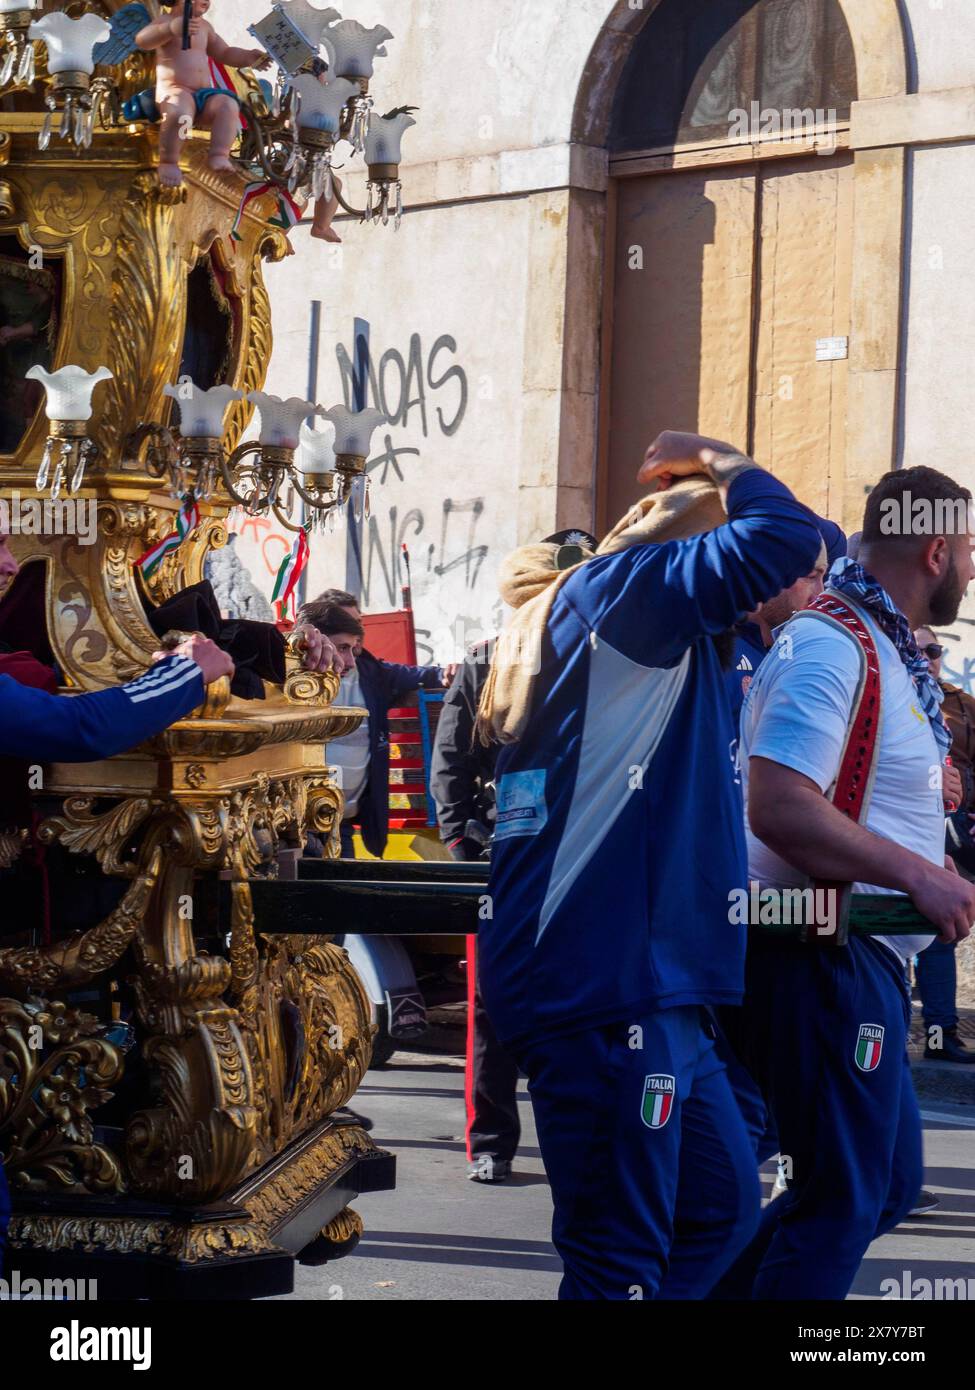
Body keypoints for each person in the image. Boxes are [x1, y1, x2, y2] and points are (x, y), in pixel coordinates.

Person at [477, 430, 824, 1300]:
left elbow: (801, 546)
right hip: (604, 989)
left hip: (650, 989)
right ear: (693, 551)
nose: (785, 587)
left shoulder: (635, 618)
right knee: (616, 1261)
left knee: (716, 1211)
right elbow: (782, 537)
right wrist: (719, 457)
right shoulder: (624, 591)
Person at [733, 466, 975, 1300]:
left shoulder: (875, 643)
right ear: (937, 551)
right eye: (971, 549)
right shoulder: (834, 645)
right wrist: (917, 874)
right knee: (842, 1197)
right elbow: (779, 806)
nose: (973, 567)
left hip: (856, 960)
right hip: (823, 956)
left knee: (883, 1186)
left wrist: (922, 858)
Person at [300, 590, 448, 859]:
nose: (357, 633)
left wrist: (455, 672)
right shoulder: (287, 678)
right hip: (296, 821)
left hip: (339, 821)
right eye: (346, 626)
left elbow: (421, 675)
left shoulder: (370, 672)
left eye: (358, 624)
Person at [913, 626, 975, 1064]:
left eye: (935, 650)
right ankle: (918, 1034)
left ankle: (939, 1035)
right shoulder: (891, 693)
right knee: (906, 933)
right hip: (905, 830)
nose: (930, 658)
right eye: (920, 651)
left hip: (959, 832)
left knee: (944, 930)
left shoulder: (961, 704)